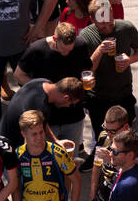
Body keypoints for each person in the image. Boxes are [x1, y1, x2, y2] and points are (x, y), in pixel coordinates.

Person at [76, 0, 138, 140]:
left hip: (124, 93)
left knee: (127, 138)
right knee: (102, 139)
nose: (107, 28)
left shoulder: (126, 28)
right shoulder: (85, 36)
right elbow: (86, 70)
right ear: (92, 19)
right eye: (102, 25)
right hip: (98, 99)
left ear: (112, 13)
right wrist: (100, 50)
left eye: (109, 22)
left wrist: (129, 60)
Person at [14, 109, 80, 201]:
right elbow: (15, 187)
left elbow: (77, 181)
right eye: (34, 134)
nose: (39, 137)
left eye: (41, 132)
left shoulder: (57, 153)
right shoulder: (18, 154)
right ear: (24, 134)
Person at [16, 22, 89, 154]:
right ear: (55, 39)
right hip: (48, 119)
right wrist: (41, 90)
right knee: (48, 160)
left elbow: (87, 68)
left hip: (74, 116)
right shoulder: (36, 50)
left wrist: (89, 79)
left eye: (70, 50)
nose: (66, 53)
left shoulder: (81, 45)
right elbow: (19, 75)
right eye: (63, 49)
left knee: (70, 160)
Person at [0, 76, 85, 152]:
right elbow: (32, 142)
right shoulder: (40, 107)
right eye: (71, 104)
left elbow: (43, 121)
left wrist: (55, 141)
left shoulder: (41, 82)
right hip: (11, 147)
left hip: (1, 134)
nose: (67, 106)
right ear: (66, 97)